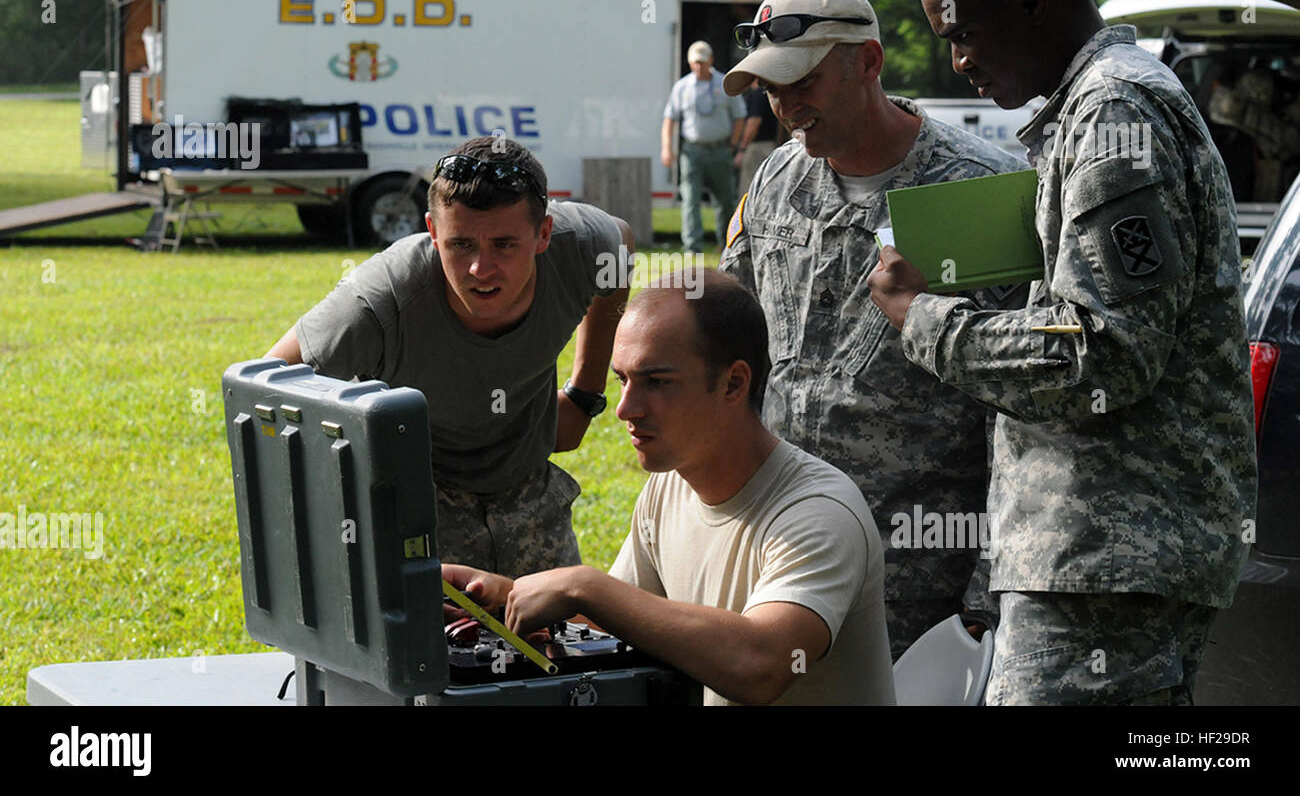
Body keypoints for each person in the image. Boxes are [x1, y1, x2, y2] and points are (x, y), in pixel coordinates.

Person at [868, 0, 1257, 705]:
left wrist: (925, 318)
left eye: (963, 35)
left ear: (1031, 1)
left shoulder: (1114, 111)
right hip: (1112, 558)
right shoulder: (1109, 102)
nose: (959, 65)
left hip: (1105, 562)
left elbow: (1103, 351)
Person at [718, 0, 1028, 660]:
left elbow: (1018, 411)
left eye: (803, 81)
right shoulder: (777, 177)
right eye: (771, 88)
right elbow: (730, 332)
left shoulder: (978, 191)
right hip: (779, 555)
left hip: (915, 581)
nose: (785, 106)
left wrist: (985, 597)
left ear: (868, 63)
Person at [443, 270, 895, 706]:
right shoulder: (670, 487)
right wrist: (507, 595)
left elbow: (764, 665)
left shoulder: (819, 513)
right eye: (623, 380)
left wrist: (584, 585)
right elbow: (623, 625)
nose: (625, 409)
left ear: (734, 383)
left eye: (657, 382)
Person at [267, 136, 633, 579]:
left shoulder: (583, 246)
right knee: (428, 647)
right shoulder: (382, 298)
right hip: (415, 500)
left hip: (526, 488)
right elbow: (264, 388)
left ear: (543, 234)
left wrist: (584, 393)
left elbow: (621, 244)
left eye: (504, 244)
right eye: (461, 245)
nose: (481, 268)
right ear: (432, 232)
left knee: (551, 643)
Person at [661, 40, 747, 252]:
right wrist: (666, 147)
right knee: (690, 199)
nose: (699, 67)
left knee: (726, 201)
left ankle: (727, 244)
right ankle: (692, 247)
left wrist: (733, 145)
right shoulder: (682, 87)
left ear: (711, 60)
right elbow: (669, 119)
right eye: (695, 63)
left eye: (703, 62)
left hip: (720, 149)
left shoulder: (724, 83)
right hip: (692, 151)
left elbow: (740, 116)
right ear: (690, 63)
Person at [735, 77, 784, 195]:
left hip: (757, 148)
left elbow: (754, 123)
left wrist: (742, 148)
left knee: (749, 192)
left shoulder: (758, 94)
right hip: (771, 146)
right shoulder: (771, 92)